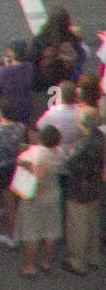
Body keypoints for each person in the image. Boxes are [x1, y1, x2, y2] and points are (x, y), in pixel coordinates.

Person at [14, 126, 64, 278]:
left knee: (32, 232)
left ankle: (30, 266)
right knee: (50, 230)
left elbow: (19, 160)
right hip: (52, 195)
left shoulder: (33, 153)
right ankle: (46, 261)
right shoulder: (59, 153)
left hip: (33, 196)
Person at [62, 108, 103, 275]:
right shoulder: (101, 137)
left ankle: (78, 262)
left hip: (79, 188)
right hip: (95, 185)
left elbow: (70, 164)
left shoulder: (83, 143)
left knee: (78, 226)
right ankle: (94, 257)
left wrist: (70, 153)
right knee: (94, 222)